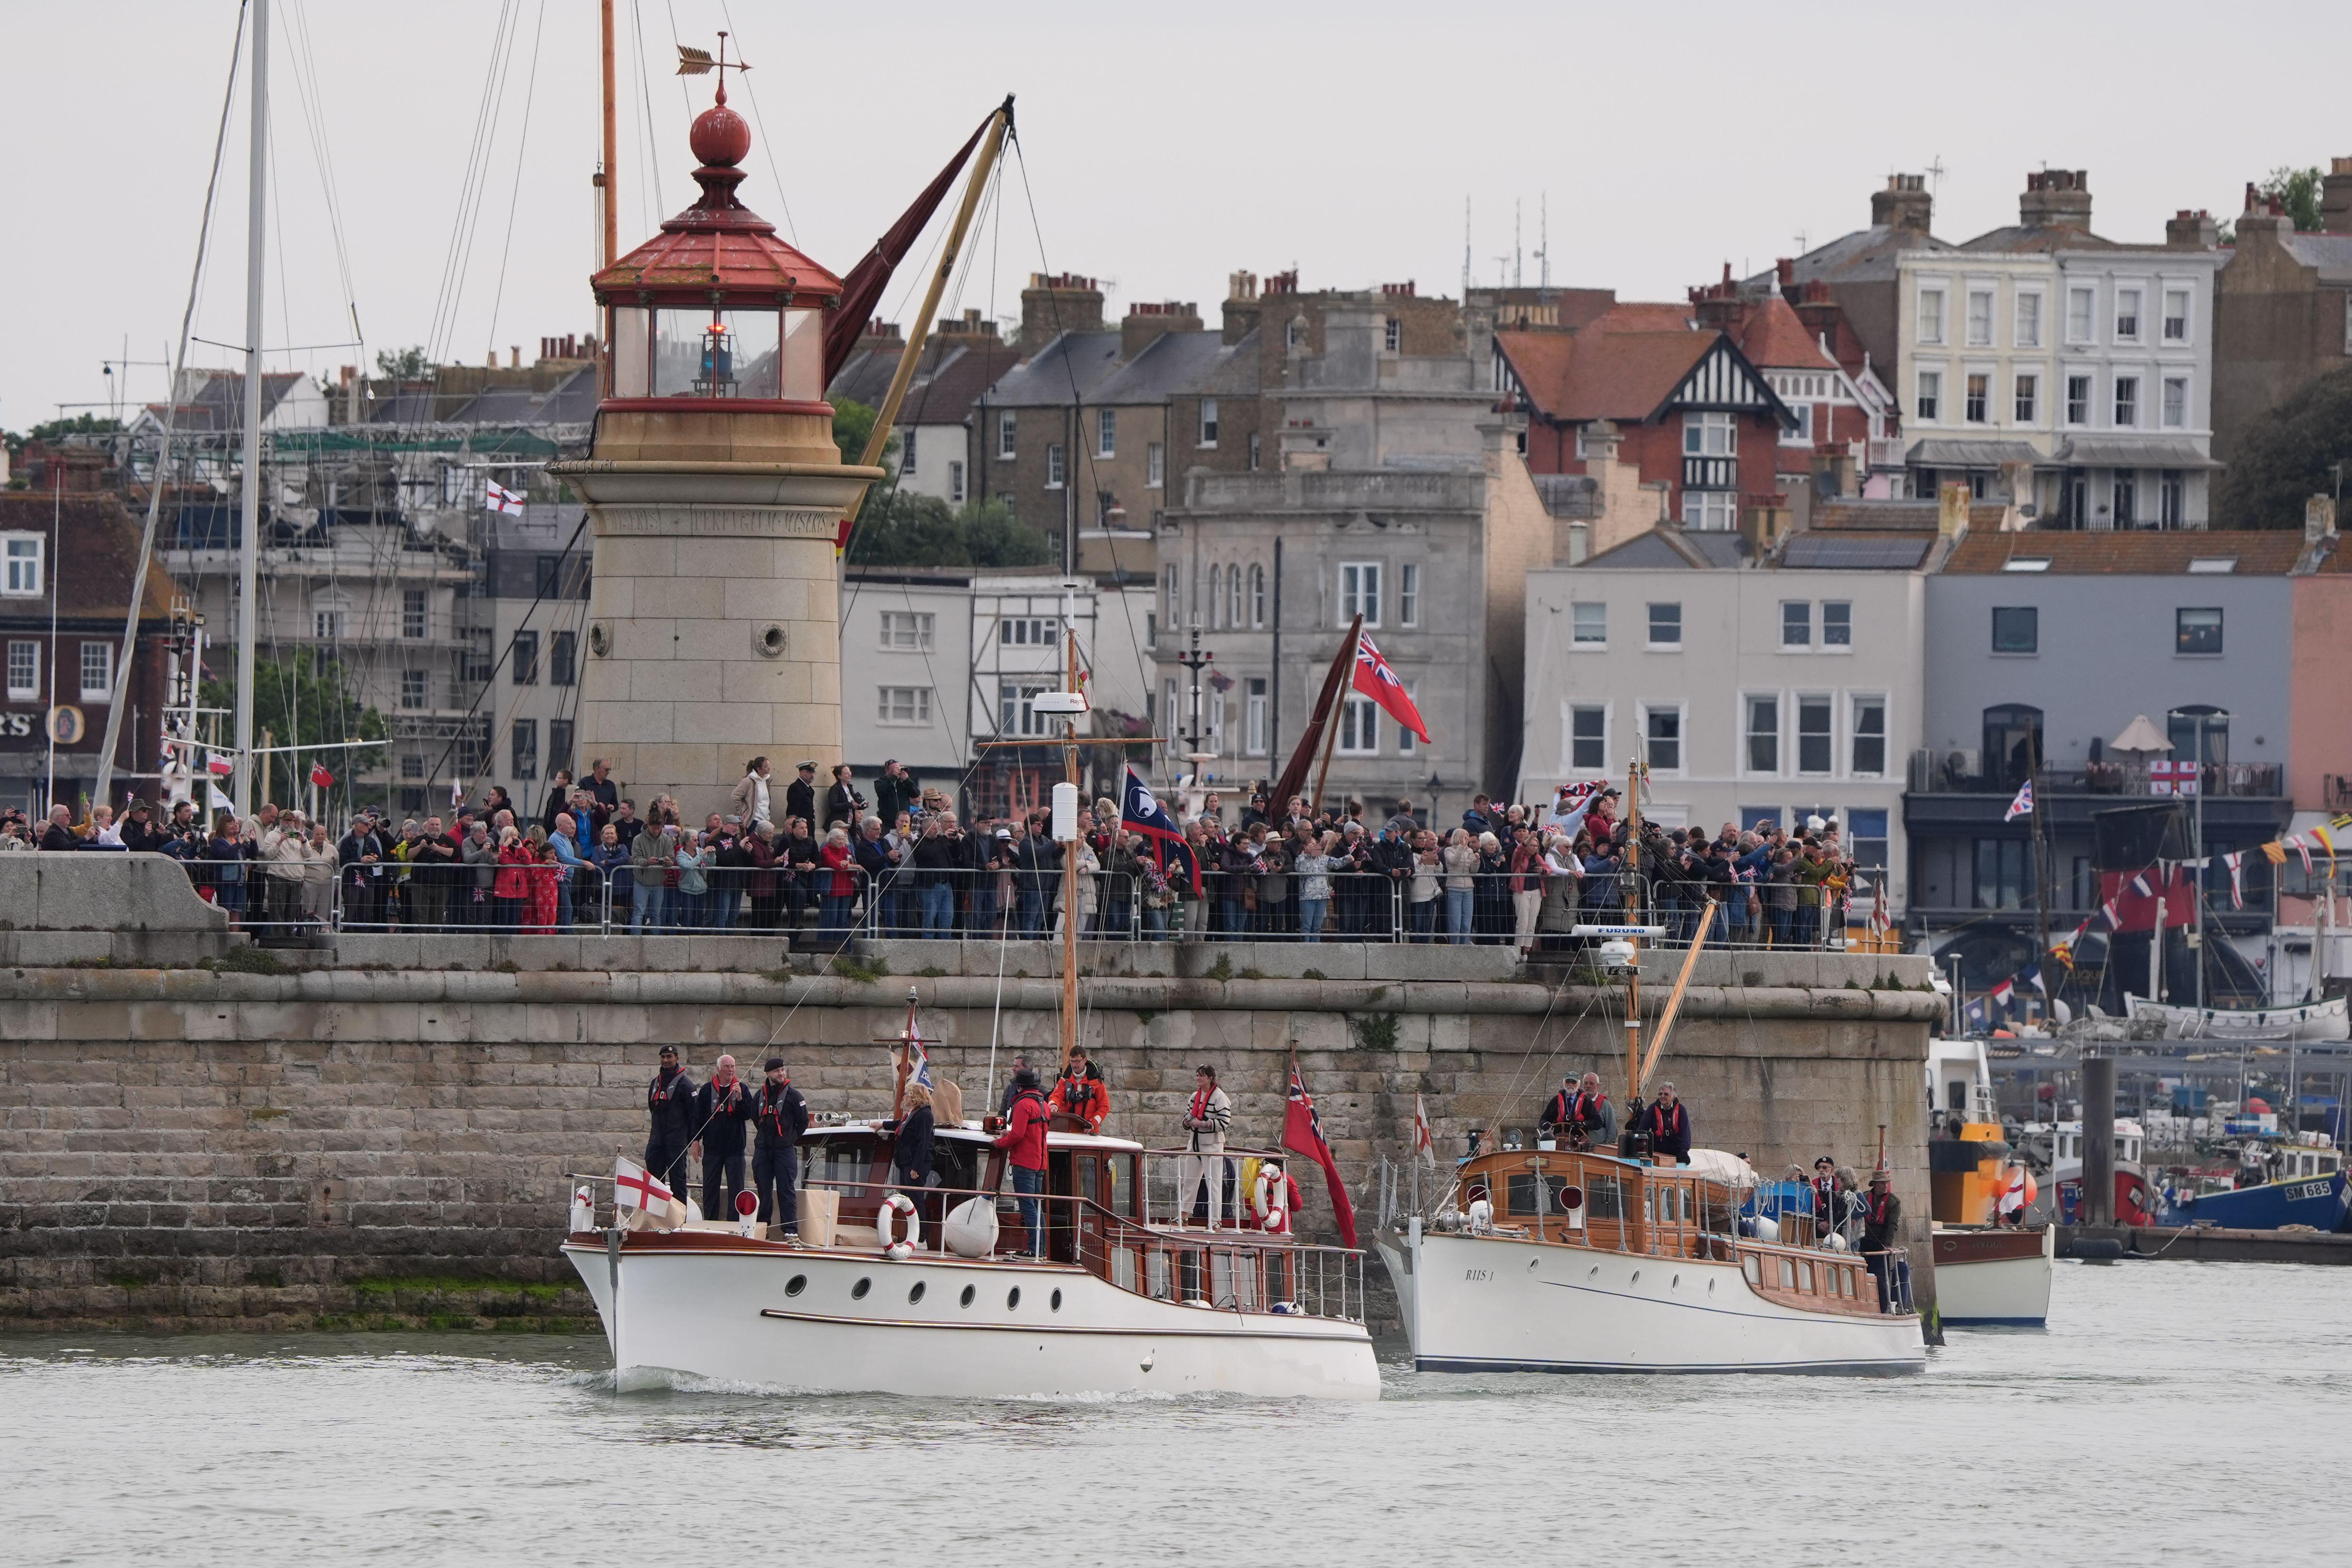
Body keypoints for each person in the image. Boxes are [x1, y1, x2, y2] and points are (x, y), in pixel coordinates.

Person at [992, 1067, 1050, 1257]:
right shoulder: (1044, 1105)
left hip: (1025, 1163)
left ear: (1019, 1087)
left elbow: (1018, 1135)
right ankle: (1041, 1250)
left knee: (1027, 1206)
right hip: (1040, 1163)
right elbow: (1032, 1133)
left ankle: (1033, 1250)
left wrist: (1000, 1142)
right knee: (1037, 1207)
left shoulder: (1023, 1105)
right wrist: (1009, 1134)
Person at [750, 1057, 810, 1234]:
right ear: (768, 1073)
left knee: (786, 1191)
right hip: (763, 1150)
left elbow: (803, 1122)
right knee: (764, 1191)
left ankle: (790, 1231)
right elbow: (755, 1117)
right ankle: (762, 1230)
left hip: (784, 1151)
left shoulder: (794, 1096)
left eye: (783, 1070)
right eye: (777, 1071)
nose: (781, 1074)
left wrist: (789, 1138)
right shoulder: (760, 1095)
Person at [693, 1054, 754, 1221]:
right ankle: (710, 1221)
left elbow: (748, 1115)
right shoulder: (707, 1090)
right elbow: (698, 1117)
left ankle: (734, 1223)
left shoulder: (742, 1088)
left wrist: (740, 1099)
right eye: (727, 1066)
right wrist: (696, 1141)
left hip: (735, 1148)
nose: (731, 1070)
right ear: (718, 1069)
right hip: (712, 1148)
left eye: (733, 1066)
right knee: (710, 1189)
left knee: (736, 1189)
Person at [1178, 1063, 1232, 1228]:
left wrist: (1202, 1124)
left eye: (1201, 1075)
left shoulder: (1220, 1097)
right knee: (1189, 1180)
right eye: (1197, 1075)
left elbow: (1224, 1122)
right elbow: (1188, 1119)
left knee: (1213, 1182)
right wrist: (1188, 1123)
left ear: (1210, 1078)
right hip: (1194, 1143)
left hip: (1212, 1145)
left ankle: (1216, 1220)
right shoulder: (1194, 1096)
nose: (1198, 1078)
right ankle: (1183, 1215)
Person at [644, 1045, 698, 1200]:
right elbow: (652, 1108)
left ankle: (680, 1214)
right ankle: (655, 1214)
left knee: (678, 1184)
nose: (666, 1060)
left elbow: (694, 1115)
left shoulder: (686, 1085)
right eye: (663, 1057)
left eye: (669, 1057)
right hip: (656, 1141)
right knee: (654, 1183)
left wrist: (691, 1140)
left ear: (677, 1058)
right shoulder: (655, 1084)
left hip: (676, 1143)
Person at [1861, 1168, 1904, 1311]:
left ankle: (1884, 1308)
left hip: (1881, 1243)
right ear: (1875, 1184)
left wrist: (1888, 1245)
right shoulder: (1865, 1197)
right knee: (1861, 1274)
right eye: (1882, 1183)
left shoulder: (1893, 1202)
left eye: (1887, 1183)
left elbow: (1893, 1225)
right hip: (1864, 1241)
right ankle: (1864, 1305)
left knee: (1881, 1277)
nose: (1885, 1185)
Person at [1047, 1045, 1109, 1132]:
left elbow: (1104, 1106)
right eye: (1072, 1061)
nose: (1074, 1065)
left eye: (1077, 1061)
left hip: (1089, 1131)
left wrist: (1093, 1124)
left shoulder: (1097, 1082)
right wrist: (1053, 1105)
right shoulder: (1064, 1080)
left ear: (1085, 1060)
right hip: (1067, 1130)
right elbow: (1056, 1096)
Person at [892, 1081, 937, 1190]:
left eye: (906, 1094)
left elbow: (923, 1143)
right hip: (907, 1161)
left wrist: (916, 1168)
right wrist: (883, 1125)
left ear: (914, 1096)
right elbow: (902, 1124)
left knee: (914, 1194)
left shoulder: (924, 1115)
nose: (904, 1098)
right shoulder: (914, 1113)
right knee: (905, 1195)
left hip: (914, 1163)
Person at [1641, 1082, 1692, 1165]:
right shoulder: (1652, 1109)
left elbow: (1685, 1134)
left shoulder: (1681, 1110)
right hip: (1657, 1149)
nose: (1662, 1096)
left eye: (1666, 1094)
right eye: (1660, 1094)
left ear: (1673, 1096)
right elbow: (1642, 1129)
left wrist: (1684, 1152)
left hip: (1676, 1149)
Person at [730, 757, 774, 831]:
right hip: (754, 820)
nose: (769, 768)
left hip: (766, 819)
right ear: (759, 769)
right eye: (766, 766)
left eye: (769, 765)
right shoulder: (748, 781)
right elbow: (735, 796)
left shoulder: (766, 781)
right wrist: (743, 811)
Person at [785, 761, 818, 834]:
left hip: (808, 826)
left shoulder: (809, 789)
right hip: (800, 829)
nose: (812, 775)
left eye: (813, 773)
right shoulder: (796, 788)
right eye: (809, 772)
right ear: (801, 773)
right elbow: (793, 810)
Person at [998, 1054, 1031, 1118]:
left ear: (1027, 1068)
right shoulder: (1010, 1089)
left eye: (1017, 1066)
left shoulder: (1039, 1091)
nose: (1013, 1069)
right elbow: (1002, 1115)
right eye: (1014, 1066)